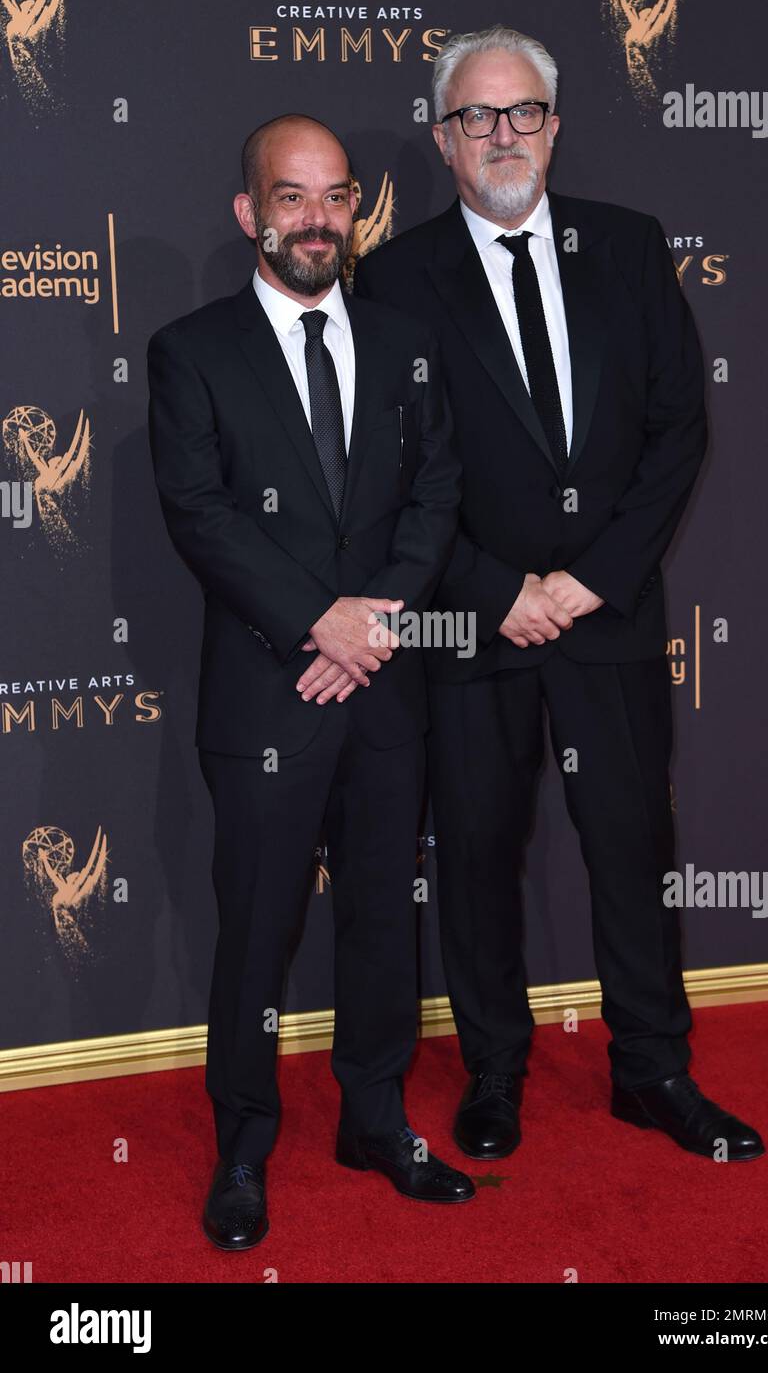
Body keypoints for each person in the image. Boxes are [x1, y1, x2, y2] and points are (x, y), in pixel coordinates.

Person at [354, 25, 764, 1165]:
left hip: (611, 617)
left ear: (556, 123)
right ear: (442, 140)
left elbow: (680, 430)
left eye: (521, 111)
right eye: (475, 117)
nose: (501, 135)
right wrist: (501, 591)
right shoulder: (392, 278)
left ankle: (653, 1069)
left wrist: (588, 581)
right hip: (474, 623)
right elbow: (393, 476)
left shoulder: (630, 249)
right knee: (479, 854)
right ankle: (495, 1073)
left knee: (631, 845)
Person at [147, 113, 471, 1251]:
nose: (318, 219)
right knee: (258, 931)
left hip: (383, 686)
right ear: (251, 214)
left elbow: (437, 492)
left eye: (335, 197)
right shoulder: (193, 352)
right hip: (265, 697)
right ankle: (243, 1146)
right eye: (292, 197)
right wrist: (316, 624)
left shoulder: (402, 340)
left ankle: (376, 1120)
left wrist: (373, 623)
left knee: (386, 918)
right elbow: (202, 515)